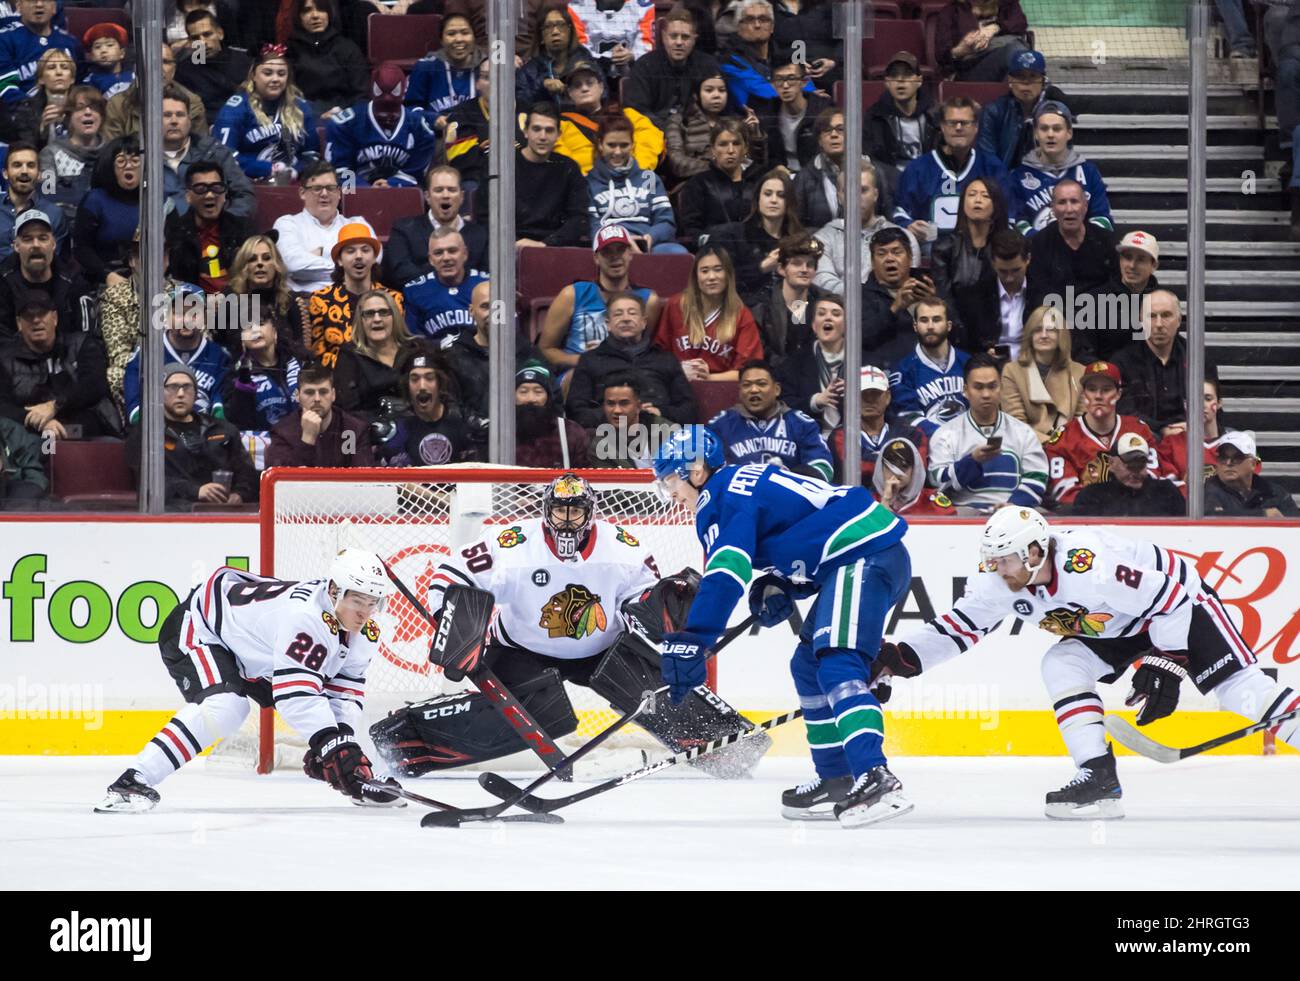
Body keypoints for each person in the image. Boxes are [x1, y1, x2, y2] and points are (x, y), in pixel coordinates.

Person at [874, 507, 1300, 818]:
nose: (994, 567)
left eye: (1004, 559)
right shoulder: (999, 579)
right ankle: (1098, 777)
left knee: (1242, 693)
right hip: (1118, 626)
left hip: (1182, 604)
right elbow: (960, 626)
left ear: (1035, 552)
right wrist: (901, 659)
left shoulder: (1090, 564)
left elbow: (1170, 600)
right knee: (1062, 665)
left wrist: (1167, 664)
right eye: (992, 558)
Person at [372, 472, 762, 776]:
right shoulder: (511, 544)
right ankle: (407, 741)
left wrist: (662, 606)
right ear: (546, 510)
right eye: (560, 510)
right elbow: (449, 575)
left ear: (591, 512)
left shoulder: (623, 547)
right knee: (518, 716)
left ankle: (726, 748)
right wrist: (449, 621)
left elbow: (641, 601)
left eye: (576, 510)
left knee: (659, 691)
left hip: (604, 648)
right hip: (522, 649)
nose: (568, 519)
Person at [653, 425, 915, 827]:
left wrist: (696, 636)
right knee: (808, 666)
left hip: (864, 557)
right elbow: (807, 525)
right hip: (862, 555)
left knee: (838, 664)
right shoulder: (740, 481)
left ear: (698, 470)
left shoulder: (718, 498)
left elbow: (727, 568)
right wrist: (781, 584)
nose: (671, 492)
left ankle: (874, 775)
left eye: (672, 479)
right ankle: (837, 776)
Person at [95, 549, 395, 811]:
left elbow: (343, 690)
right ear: (334, 592)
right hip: (202, 626)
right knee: (226, 709)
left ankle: (353, 772)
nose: (365, 613)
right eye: (358, 601)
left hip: (252, 650)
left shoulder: (363, 633)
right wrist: (331, 746)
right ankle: (132, 781)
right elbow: (296, 696)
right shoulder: (305, 618)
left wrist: (339, 743)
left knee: (329, 729)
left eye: (373, 603)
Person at [123, 360, 256, 508]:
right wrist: (196, 491)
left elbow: (247, 474)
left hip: (223, 512)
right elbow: (147, 483)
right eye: (173, 387)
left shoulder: (223, 429)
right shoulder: (147, 433)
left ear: (196, 393)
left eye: (187, 387)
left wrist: (239, 495)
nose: (180, 394)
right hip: (174, 514)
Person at [927, 352, 1048, 510]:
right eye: (978, 387)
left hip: (1014, 510)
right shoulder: (946, 434)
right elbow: (937, 482)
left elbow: (1037, 477)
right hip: (965, 512)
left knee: (1044, 518)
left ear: (1001, 388)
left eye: (992, 386)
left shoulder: (1023, 432)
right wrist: (972, 462)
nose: (986, 394)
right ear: (965, 390)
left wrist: (1013, 505)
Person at [1043, 359, 1168, 508]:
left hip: (1136, 515)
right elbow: (1065, 493)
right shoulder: (1064, 438)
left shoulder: (1139, 430)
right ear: (1083, 395)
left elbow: (1151, 478)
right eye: (1092, 389)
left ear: (1118, 394)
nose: (1098, 396)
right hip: (1087, 519)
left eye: (1106, 389)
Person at [565, 290, 699, 427]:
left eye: (632, 313)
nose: (626, 318)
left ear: (644, 322)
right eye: (618, 314)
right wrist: (619, 415)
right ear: (608, 324)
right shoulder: (590, 360)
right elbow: (575, 412)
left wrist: (659, 412)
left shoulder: (666, 360)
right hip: (606, 438)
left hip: (660, 435)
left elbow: (689, 411)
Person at [539, 225, 661, 373]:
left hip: (626, 372)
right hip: (579, 372)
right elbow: (545, 349)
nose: (615, 257)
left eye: (620, 250)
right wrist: (585, 361)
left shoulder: (648, 300)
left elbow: (645, 348)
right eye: (607, 252)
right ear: (596, 258)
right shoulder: (572, 294)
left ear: (630, 254)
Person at [893, 96, 1011, 245]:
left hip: (982, 249)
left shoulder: (993, 168)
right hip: (931, 250)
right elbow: (899, 211)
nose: (958, 128)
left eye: (965, 123)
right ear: (942, 127)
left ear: (976, 127)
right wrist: (908, 225)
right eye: (952, 123)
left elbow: (1008, 213)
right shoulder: (917, 169)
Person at [0, 295, 120, 440]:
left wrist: (54, 406)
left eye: (42, 314)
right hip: (33, 437)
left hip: (85, 432)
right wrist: (36, 420)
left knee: (110, 445)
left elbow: (95, 385)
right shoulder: (5, 359)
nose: (36, 320)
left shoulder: (81, 344)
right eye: (28, 316)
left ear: (55, 318)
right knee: (44, 448)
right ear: (19, 324)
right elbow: (3, 406)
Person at [444, 281, 545, 441]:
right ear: (471, 311)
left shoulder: (529, 353)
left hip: (523, 444)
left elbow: (552, 403)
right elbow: (449, 410)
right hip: (469, 446)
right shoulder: (452, 357)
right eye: (485, 306)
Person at [123, 284, 232, 425]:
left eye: (194, 314)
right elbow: (135, 410)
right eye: (179, 313)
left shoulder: (219, 356)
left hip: (204, 436)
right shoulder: (146, 354)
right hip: (158, 435)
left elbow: (220, 409)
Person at [708, 358, 833, 480]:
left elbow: (823, 467)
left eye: (761, 384)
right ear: (740, 391)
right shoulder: (721, 422)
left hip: (787, 496)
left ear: (777, 389)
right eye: (746, 385)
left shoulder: (801, 423)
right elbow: (694, 453)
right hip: (737, 497)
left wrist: (789, 477)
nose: (754, 390)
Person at [212, 44, 320, 183]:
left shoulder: (301, 107)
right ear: (253, 76)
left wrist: (296, 171)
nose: (275, 79)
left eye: (281, 74)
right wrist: (268, 169)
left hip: (295, 184)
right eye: (267, 73)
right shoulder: (235, 109)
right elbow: (223, 155)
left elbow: (311, 154)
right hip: (246, 185)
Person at [655, 245, 764, 381]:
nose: (711, 277)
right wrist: (678, 371)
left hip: (721, 390)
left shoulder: (741, 315)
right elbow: (659, 355)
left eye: (718, 270)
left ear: (728, 274)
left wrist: (709, 378)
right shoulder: (676, 305)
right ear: (696, 276)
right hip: (677, 385)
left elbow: (749, 372)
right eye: (704, 271)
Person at [323, 61, 437, 188]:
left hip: (401, 197)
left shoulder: (420, 128)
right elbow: (338, 171)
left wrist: (393, 184)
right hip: (354, 196)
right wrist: (364, 189)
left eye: (391, 111)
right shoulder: (345, 124)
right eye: (382, 110)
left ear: (404, 91)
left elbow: (417, 173)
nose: (387, 118)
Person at [701, 166, 803, 308]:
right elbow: (721, 282)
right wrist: (762, 267)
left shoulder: (798, 240)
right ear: (757, 199)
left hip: (788, 311)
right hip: (743, 311)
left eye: (781, 195)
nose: (774, 200)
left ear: (789, 202)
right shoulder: (733, 235)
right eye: (768, 194)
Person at [1113, 290, 1206, 441]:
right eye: (1151, 316)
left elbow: (1211, 403)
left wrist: (1191, 427)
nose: (1159, 324)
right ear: (1141, 320)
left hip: (1191, 437)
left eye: (1166, 315)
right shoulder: (1123, 361)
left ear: (1179, 320)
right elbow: (1123, 412)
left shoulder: (1198, 357)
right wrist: (1162, 430)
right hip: (1142, 441)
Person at [813, 162, 918, 295]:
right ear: (839, 196)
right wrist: (868, 298)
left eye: (863, 190)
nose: (855, 197)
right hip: (839, 311)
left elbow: (908, 284)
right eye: (848, 191)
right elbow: (824, 283)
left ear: (875, 194)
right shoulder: (822, 239)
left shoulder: (905, 238)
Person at [307, 222, 402, 368]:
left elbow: (399, 346)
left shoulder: (393, 299)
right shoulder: (320, 300)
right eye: (350, 251)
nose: (359, 256)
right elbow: (318, 356)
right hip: (340, 380)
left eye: (365, 250)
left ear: (374, 257)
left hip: (384, 377)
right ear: (339, 260)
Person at [586, 113, 684, 254]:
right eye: (611, 145)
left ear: (632, 145)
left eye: (624, 145)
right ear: (600, 145)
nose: (618, 152)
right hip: (609, 248)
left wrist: (650, 237)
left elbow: (666, 221)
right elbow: (593, 226)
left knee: (677, 254)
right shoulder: (589, 181)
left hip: (648, 245)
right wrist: (621, 241)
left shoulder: (649, 178)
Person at [1010, 102, 1111, 235]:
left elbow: (1103, 220)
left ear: (1069, 133)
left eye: (1057, 129)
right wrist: (1046, 245)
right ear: (1035, 133)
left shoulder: (1089, 173)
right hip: (1038, 253)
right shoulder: (1018, 177)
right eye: (1044, 129)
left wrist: (1078, 243)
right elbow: (1017, 223)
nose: (1050, 135)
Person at [272, 161, 373, 293]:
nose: (324, 194)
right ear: (302, 193)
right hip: (303, 304)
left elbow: (374, 261)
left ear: (339, 193)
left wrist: (319, 254)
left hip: (350, 301)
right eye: (317, 188)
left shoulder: (356, 223)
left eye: (330, 188)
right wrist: (351, 267)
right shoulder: (287, 223)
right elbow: (292, 265)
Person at [382, 164, 489, 286]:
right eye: (439, 190)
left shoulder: (481, 234)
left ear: (461, 196)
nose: (445, 195)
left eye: (451, 190)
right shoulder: (403, 230)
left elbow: (486, 277)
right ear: (427, 196)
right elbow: (401, 274)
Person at [929, 177, 1005, 347]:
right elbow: (944, 298)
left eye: (985, 196)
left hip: (1000, 336)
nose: (977, 200)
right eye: (971, 195)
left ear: (996, 205)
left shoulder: (1005, 246)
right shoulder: (945, 248)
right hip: (959, 337)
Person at [555, 60, 665, 175]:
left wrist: (634, 172)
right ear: (570, 93)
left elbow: (649, 141)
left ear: (601, 87)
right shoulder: (560, 125)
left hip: (631, 181)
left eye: (590, 83)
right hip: (587, 185)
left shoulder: (628, 115)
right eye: (577, 85)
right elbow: (562, 159)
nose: (584, 88)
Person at [373, 344, 476, 465]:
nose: (422, 386)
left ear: (440, 383)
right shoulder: (398, 428)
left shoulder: (462, 421)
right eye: (415, 379)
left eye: (429, 378)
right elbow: (397, 478)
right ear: (407, 385)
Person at [158, 89, 254, 219]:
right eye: (167, 115)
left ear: (189, 121)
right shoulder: (142, 156)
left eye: (180, 115)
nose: (174, 121)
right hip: (160, 234)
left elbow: (244, 194)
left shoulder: (213, 151)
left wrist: (224, 225)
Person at [1024, 179, 1117, 313]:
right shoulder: (1039, 243)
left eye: (1074, 201)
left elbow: (1115, 287)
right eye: (1062, 202)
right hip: (1057, 320)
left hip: (1099, 317)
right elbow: (1037, 293)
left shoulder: (1106, 240)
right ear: (1053, 208)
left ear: (1085, 206)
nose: (1069, 209)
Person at [164, 159, 254, 295]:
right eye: (201, 189)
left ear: (224, 194)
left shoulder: (242, 230)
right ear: (188, 196)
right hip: (192, 308)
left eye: (216, 188)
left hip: (236, 306)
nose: (210, 195)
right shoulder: (175, 233)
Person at [0, 208, 91, 342]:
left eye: (43, 238)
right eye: (27, 239)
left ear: (53, 244)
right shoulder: (3, 282)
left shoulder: (74, 283)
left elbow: (85, 340)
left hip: (64, 358)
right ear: (16, 246)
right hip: (14, 358)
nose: (36, 245)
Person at [831, 364, 930, 488]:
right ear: (852, 398)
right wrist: (898, 463)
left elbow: (917, 469)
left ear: (888, 397)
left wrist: (876, 460)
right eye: (863, 394)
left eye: (875, 394)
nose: (869, 399)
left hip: (905, 502)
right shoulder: (840, 435)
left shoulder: (912, 433)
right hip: (860, 502)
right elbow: (854, 470)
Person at [1000, 304, 1084, 444]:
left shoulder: (1079, 372)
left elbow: (1083, 422)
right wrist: (1052, 443)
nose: (1044, 335)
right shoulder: (1012, 371)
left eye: (1051, 330)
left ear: (1061, 335)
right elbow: (1016, 425)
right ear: (1029, 336)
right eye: (1037, 330)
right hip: (1029, 448)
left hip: (1072, 448)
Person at [265, 362, 375, 468]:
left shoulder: (354, 429)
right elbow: (281, 481)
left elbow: (363, 481)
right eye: (309, 392)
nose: (317, 399)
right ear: (297, 396)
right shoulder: (283, 433)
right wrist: (307, 439)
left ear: (333, 395)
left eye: (323, 392)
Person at [1075, 229, 1161, 364]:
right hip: (1106, 381)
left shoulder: (1165, 302)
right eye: (1127, 257)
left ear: (1154, 265)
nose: (1132, 265)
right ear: (1120, 260)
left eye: (1141, 259)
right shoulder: (1093, 301)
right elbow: (1083, 354)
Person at [622, 5, 719, 125]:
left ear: (694, 39)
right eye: (673, 36)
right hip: (654, 132)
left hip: (697, 132)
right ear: (663, 37)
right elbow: (637, 110)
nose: (679, 42)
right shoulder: (645, 66)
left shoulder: (707, 66)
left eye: (685, 37)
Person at [977, 49, 1069, 171]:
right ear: (1010, 80)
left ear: (1043, 80)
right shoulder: (993, 111)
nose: (1026, 83)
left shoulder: (1056, 112)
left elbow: (1062, 156)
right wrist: (1006, 181)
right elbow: (987, 155)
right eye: (1020, 76)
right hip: (1003, 180)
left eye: (1033, 76)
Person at [890, 297, 970, 438]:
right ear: (915, 326)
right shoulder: (903, 371)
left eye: (937, 319)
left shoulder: (968, 363)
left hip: (969, 442)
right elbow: (908, 418)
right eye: (924, 320)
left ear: (949, 325)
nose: (930, 326)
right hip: (929, 447)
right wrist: (947, 437)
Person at [676, 118, 763, 248]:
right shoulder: (698, 184)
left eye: (736, 143)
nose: (730, 150)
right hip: (715, 252)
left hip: (756, 250)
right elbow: (691, 231)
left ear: (745, 148)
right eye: (723, 144)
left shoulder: (759, 181)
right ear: (713, 150)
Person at [663, 70, 762, 181]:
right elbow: (677, 163)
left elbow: (756, 166)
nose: (716, 95)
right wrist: (718, 167)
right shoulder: (679, 121)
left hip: (735, 184)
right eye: (709, 90)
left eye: (722, 90)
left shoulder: (736, 122)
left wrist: (755, 135)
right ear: (696, 95)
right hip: (693, 184)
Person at [514, 100, 588, 248]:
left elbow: (579, 218)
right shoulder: (506, 165)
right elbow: (487, 216)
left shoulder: (569, 168)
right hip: (510, 248)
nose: (543, 136)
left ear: (558, 134)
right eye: (536, 129)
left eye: (549, 130)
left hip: (555, 248)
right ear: (525, 131)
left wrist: (545, 245)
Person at [332, 288, 414, 419]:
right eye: (369, 314)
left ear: (394, 317)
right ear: (361, 320)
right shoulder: (349, 357)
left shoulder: (415, 349)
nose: (377, 319)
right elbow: (345, 411)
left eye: (383, 312)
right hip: (369, 432)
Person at [221, 308, 302, 440]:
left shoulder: (299, 362)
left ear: (275, 332)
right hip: (261, 447)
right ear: (242, 339)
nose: (255, 330)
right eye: (247, 327)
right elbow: (238, 421)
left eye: (261, 323)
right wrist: (244, 384)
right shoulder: (236, 375)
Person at [224, 234, 309, 358]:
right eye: (252, 259)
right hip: (241, 371)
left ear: (276, 264)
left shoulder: (291, 301)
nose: (260, 264)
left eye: (266, 258)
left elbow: (300, 350)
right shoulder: (229, 298)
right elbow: (220, 346)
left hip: (285, 371)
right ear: (243, 266)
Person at [1069, 431, 1185, 517]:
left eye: (1140, 464)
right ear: (1111, 463)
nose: (1135, 472)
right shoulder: (1092, 496)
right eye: (1130, 465)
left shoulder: (1166, 493)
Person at [104, 43, 207, 140]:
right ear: (138, 69)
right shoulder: (117, 104)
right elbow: (113, 151)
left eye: (165, 62)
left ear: (174, 69)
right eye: (152, 62)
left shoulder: (193, 103)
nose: (158, 68)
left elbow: (199, 149)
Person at [401, 228, 487, 344]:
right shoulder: (415, 291)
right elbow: (414, 342)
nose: (446, 258)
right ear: (431, 259)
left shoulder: (488, 285)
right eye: (438, 253)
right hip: (437, 358)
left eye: (452, 251)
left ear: (465, 254)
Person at [860, 226, 930, 368]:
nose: (890, 259)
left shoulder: (930, 284)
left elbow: (957, 332)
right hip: (889, 374)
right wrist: (894, 308)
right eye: (882, 253)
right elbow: (862, 337)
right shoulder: (860, 296)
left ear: (910, 258)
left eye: (897, 252)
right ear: (872, 263)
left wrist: (935, 303)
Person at [284, 0, 368, 118]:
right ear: (299, 17)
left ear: (329, 13)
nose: (315, 15)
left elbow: (361, 94)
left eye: (321, 9)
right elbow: (286, 94)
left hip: (343, 119)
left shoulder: (348, 49)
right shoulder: (289, 50)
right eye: (307, 10)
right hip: (303, 117)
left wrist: (341, 112)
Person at [751, 233, 825, 363]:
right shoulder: (761, 307)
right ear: (781, 269)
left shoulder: (826, 302)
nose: (804, 269)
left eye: (810, 265)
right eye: (797, 263)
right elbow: (762, 355)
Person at [36, 84, 105, 223]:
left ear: (102, 116)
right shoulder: (50, 154)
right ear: (69, 117)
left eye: (94, 108)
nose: (88, 112)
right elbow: (47, 197)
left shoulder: (112, 153)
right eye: (80, 108)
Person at [864, 51, 937, 174]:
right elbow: (871, 157)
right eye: (894, 75)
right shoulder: (875, 117)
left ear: (919, 81)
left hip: (927, 178)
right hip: (889, 182)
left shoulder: (934, 114)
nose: (900, 80)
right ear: (887, 82)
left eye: (907, 75)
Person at [516, 4, 598, 112]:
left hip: (581, 123)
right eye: (548, 27)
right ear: (541, 36)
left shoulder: (586, 60)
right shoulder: (530, 71)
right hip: (545, 125)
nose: (555, 32)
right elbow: (520, 103)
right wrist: (542, 86)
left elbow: (604, 92)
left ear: (570, 31)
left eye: (561, 25)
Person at [589, 370, 679, 467]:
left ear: (639, 406)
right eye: (610, 404)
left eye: (624, 403)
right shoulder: (600, 446)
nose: (617, 410)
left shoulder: (668, 433)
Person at [175, 7, 253, 119]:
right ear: (190, 42)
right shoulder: (183, 71)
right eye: (195, 38)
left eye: (207, 34)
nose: (202, 42)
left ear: (220, 33)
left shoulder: (245, 60)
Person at [404, 12, 482, 122]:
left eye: (465, 33)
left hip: (480, 137)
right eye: (451, 34)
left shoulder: (486, 68)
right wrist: (434, 120)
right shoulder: (425, 67)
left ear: (474, 37)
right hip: (435, 137)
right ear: (441, 40)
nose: (459, 39)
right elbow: (409, 110)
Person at [1204, 430, 1300, 518]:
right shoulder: (1206, 491)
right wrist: (1263, 515)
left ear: (1253, 464)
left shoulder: (1274, 493)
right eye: (1223, 457)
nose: (1228, 463)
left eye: (1237, 457)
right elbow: (1210, 516)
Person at [0, 0, 80, 103]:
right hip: (20, 113)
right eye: (32, 1)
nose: (39, 4)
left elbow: (80, 82)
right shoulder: (4, 40)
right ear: (19, 7)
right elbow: (4, 86)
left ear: (54, 7)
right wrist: (31, 109)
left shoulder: (70, 42)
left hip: (66, 111)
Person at [0, 139, 66, 263]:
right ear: (5, 173)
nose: (24, 171)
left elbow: (55, 262)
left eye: (30, 165)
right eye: (17, 165)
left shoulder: (54, 214)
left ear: (39, 174)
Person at [761, 58, 831, 173]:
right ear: (773, 84)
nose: (785, 85)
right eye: (779, 80)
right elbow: (767, 155)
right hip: (781, 175)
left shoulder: (821, 110)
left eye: (791, 78)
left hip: (815, 174)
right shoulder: (768, 112)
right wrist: (777, 167)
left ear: (804, 82)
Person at [515, 362, 591, 467]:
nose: (531, 399)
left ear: (548, 397)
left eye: (538, 392)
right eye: (523, 392)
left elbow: (584, 476)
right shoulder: (496, 432)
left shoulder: (570, 432)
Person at [934, 0, 1030, 82]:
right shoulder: (951, 11)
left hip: (1004, 57)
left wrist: (995, 28)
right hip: (968, 68)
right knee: (1017, 53)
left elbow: (1020, 23)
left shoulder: (1006, 4)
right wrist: (960, 50)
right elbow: (941, 55)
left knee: (1018, 54)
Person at [1157, 378, 1226, 485]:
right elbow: (1168, 489)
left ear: (1219, 403)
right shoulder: (1171, 444)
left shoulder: (1235, 443)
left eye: (1208, 399)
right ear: (1186, 404)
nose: (1202, 404)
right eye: (1195, 399)